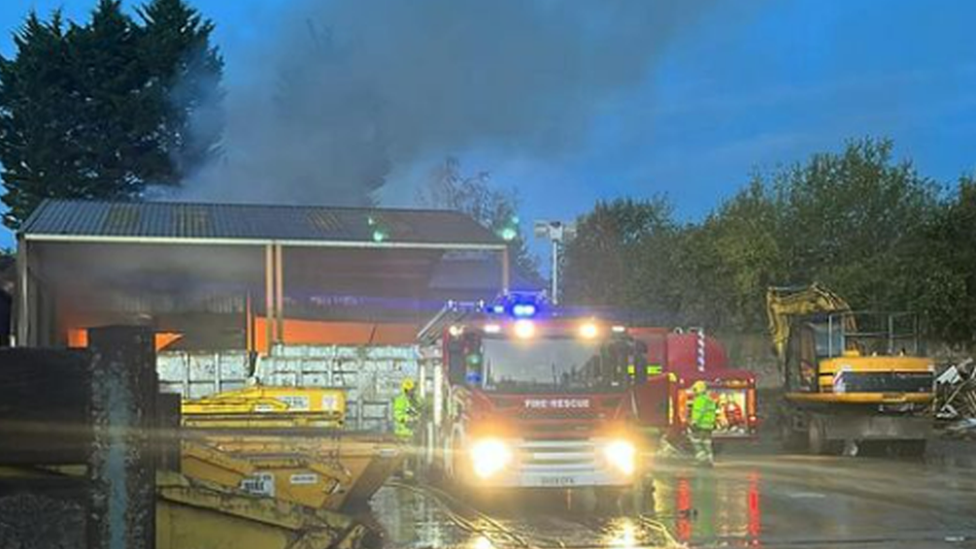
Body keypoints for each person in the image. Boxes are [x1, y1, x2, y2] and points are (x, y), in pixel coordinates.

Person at [688, 380, 718, 466]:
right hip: (708, 426)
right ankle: (710, 461)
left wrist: (693, 422)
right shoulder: (709, 399)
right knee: (707, 444)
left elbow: (699, 412)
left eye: (695, 389)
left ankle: (701, 461)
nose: (694, 391)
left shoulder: (700, 400)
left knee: (696, 442)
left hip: (700, 425)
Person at [392, 378, 420, 442]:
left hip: (412, 433)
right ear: (405, 390)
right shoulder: (400, 400)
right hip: (402, 432)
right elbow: (397, 414)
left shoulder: (415, 400)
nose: (412, 392)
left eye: (412, 390)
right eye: (410, 390)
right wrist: (408, 419)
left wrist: (417, 417)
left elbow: (417, 411)